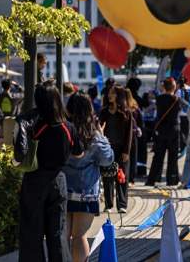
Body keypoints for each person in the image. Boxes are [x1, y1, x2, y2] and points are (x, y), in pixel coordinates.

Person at [16, 83, 75, 262]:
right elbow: (78, 151)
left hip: (34, 180)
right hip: (59, 180)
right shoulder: (68, 126)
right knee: (58, 232)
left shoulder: (32, 123)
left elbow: (20, 154)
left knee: (31, 233)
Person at [63, 93, 114, 262]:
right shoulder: (94, 136)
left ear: (69, 110)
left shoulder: (64, 131)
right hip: (86, 195)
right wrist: (103, 135)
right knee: (79, 237)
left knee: (63, 238)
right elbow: (108, 160)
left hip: (63, 192)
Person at [100, 85, 136, 213]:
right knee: (107, 176)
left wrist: (127, 151)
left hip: (122, 150)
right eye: (109, 93)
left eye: (113, 93)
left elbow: (129, 134)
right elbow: (99, 130)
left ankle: (122, 204)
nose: (110, 95)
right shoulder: (104, 112)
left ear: (118, 96)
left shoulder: (126, 113)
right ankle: (108, 204)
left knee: (122, 177)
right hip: (107, 149)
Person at [147, 77, 182, 186]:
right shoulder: (177, 99)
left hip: (161, 130)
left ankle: (152, 179)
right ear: (174, 86)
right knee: (173, 156)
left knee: (158, 156)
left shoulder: (159, 99)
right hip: (173, 130)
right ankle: (171, 180)